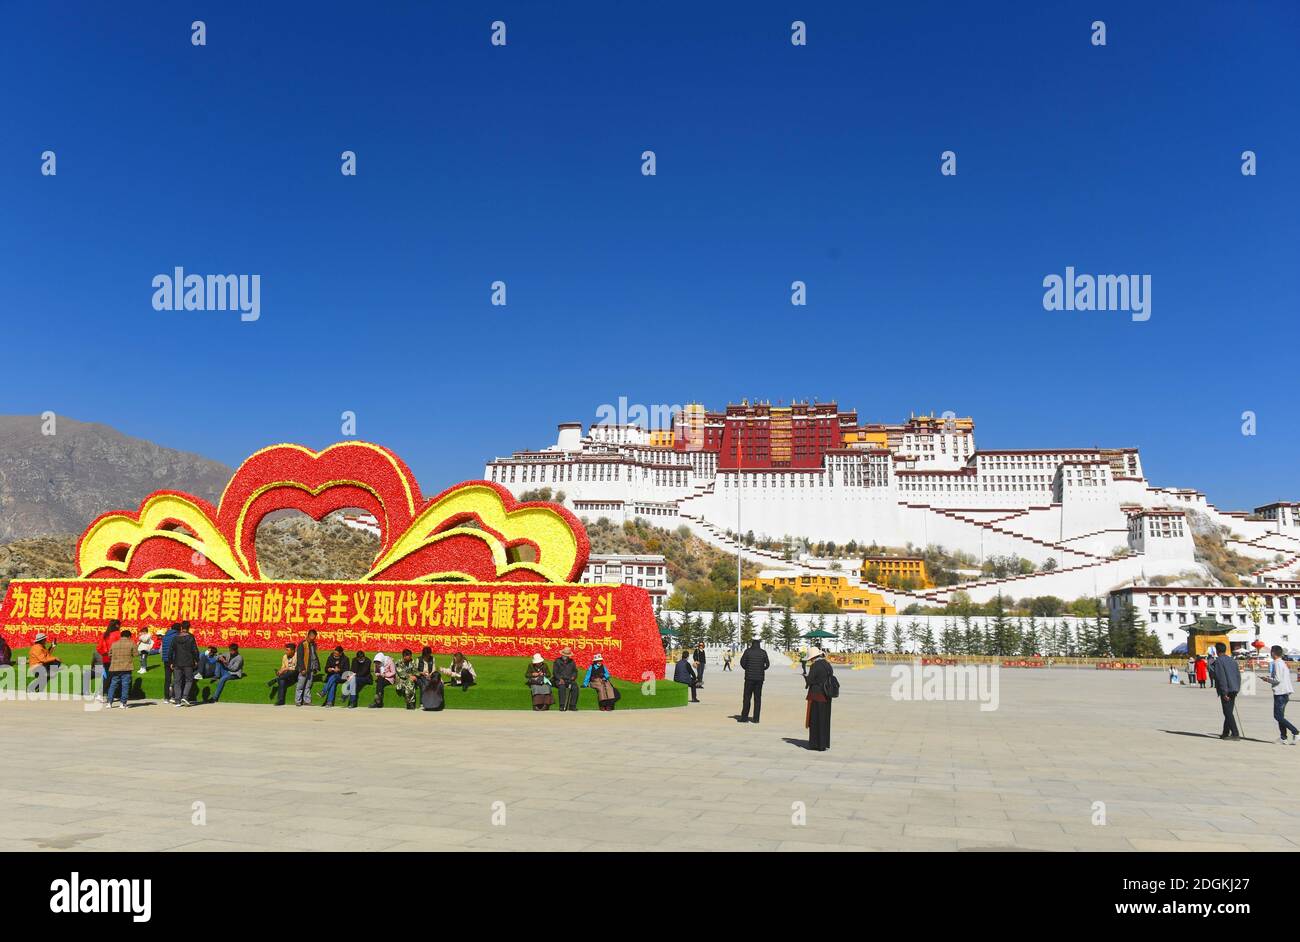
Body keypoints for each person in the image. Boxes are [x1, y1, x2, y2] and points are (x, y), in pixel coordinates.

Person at [1208, 642, 1241, 739]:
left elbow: (1221, 677)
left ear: (1217, 651)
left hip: (1227, 689)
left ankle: (1235, 734)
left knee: (1227, 712)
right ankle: (1225, 732)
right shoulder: (1232, 660)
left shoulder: (1219, 661)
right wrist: (1237, 688)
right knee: (1229, 711)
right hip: (1234, 688)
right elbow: (1238, 676)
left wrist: (1224, 692)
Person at [805, 647, 835, 751]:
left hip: (817, 695)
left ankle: (815, 743)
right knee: (825, 720)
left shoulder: (815, 666)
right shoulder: (827, 664)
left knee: (815, 719)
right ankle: (824, 743)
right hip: (827, 695)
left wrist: (806, 677)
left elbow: (810, 680)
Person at [1266, 645, 1297, 745]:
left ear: (1273, 653)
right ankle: (1283, 737)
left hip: (1280, 693)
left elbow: (1277, 679)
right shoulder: (1282, 663)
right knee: (1280, 716)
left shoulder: (1277, 663)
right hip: (1284, 692)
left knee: (1277, 716)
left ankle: (1295, 732)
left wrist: (1267, 679)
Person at [739, 638, 769, 723]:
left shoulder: (747, 651)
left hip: (749, 678)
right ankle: (756, 719)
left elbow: (742, 662)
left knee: (747, 698)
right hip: (759, 679)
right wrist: (761, 669)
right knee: (757, 698)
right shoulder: (763, 652)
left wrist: (747, 668)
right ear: (759, 644)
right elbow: (768, 664)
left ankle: (744, 718)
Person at [169, 622, 199, 706]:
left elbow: (171, 651)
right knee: (189, 680)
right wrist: (197, 660)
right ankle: (185, 697)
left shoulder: (175, 638)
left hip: (177, 662)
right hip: (188, 662)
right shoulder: (190, 637)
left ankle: (177, 700)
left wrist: (171, 661)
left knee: (177, 681)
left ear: (181, 628)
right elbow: (195, 650)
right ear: (189, 628)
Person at [106, 629, 136, 708]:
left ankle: (109, 702)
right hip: (126, 667)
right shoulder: (131, 643)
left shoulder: (114, 644)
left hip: (115, 667)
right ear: (129, 636)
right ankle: (123, 703)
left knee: (113, 684)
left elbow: (109, 654)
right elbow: (136, 654)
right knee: (125, 685)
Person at [93, 622, 121, 701]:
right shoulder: (118, 634)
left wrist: (104, 653)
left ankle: (104, 693)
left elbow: (98, 647)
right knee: (113, 677)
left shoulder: (105, 634)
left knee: (107, 676)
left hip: (106, 658)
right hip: (115, 658)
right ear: (117, 626)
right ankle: (103, 694)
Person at [294, 629, 320, 706]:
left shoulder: (313, 644)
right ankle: (298, 701)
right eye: (313, 636)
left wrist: (316, 667)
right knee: (300, 685)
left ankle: (307, 701)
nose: (314, 637)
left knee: (308, 685)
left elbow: (314, 656)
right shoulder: (302, 644)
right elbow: (300, 657)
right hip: (304, 668)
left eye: (315, 636)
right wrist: (302, 669)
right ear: (309, 635)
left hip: (311, 668)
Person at [552, 647, 579, 712]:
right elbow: (555, 672)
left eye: (566, 655)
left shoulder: (572, 662)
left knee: (575, 687)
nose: (565, 656)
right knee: (562, 687)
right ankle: (562, 705)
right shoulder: (557, 661)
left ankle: (572, 705)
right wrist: (560, 679)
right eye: (564, 655)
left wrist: (573, 676)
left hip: (569, 680)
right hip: (559, 679)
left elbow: (575, 671)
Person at [159, 623, 180, 701]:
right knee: (176, 678)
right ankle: (174, 696)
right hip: (174, 659)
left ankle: (166, 697)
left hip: (166, 659)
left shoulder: (165, 636)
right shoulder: (177, 636)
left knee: (167, 679)